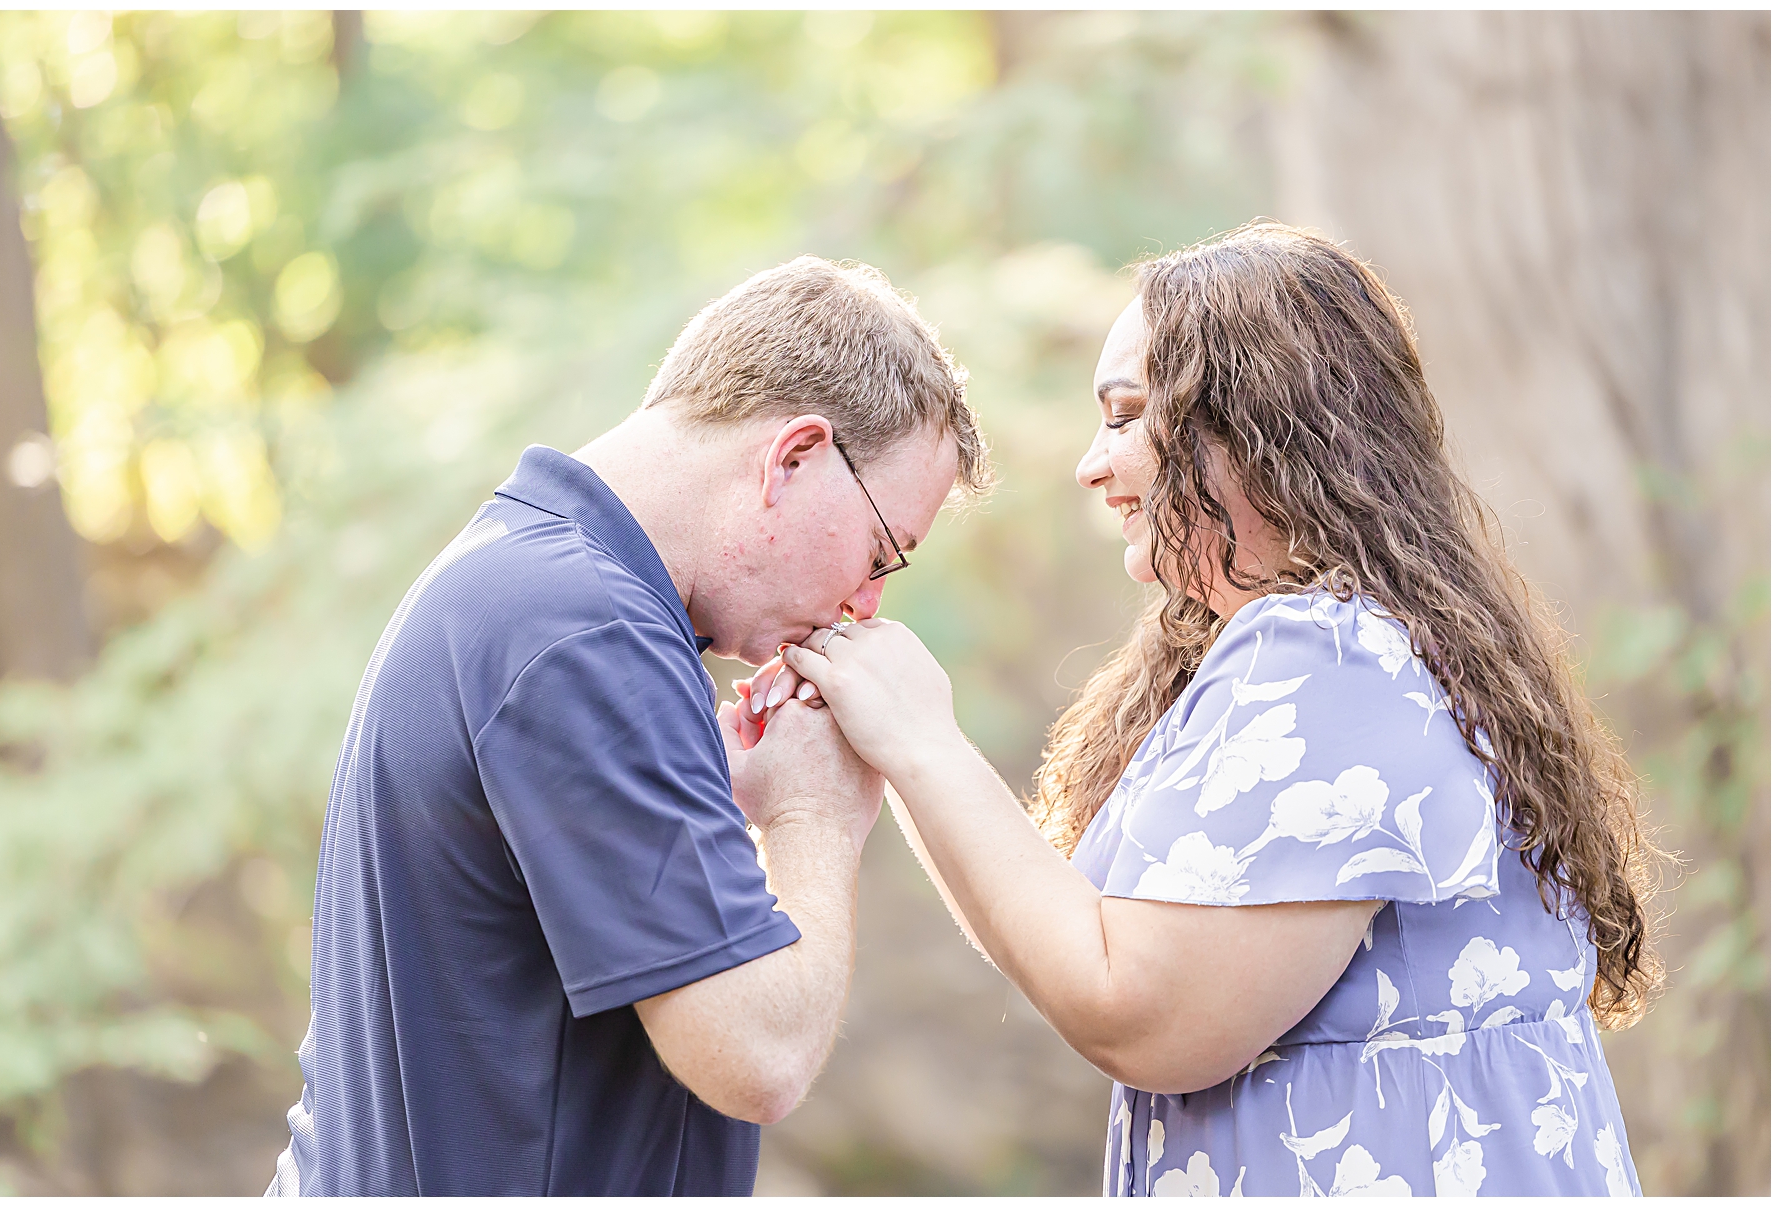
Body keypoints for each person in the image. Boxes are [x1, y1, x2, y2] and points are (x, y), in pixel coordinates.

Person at [757, 222, 1660, 1195]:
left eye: (1126, 413)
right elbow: (1063, 934)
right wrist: (897, 746)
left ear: (1258, 427)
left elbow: (1138, 1012)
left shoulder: (1330, 656)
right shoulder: (1341, 649)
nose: (1090, 464)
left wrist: (923, 739)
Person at [264, 255, 991, 1196]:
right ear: (795, 456)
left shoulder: (532, 581)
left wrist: (718, 805)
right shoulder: (589, 634)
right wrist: (817, 813)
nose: (865, 601)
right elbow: (756, 1052)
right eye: (884, 548)